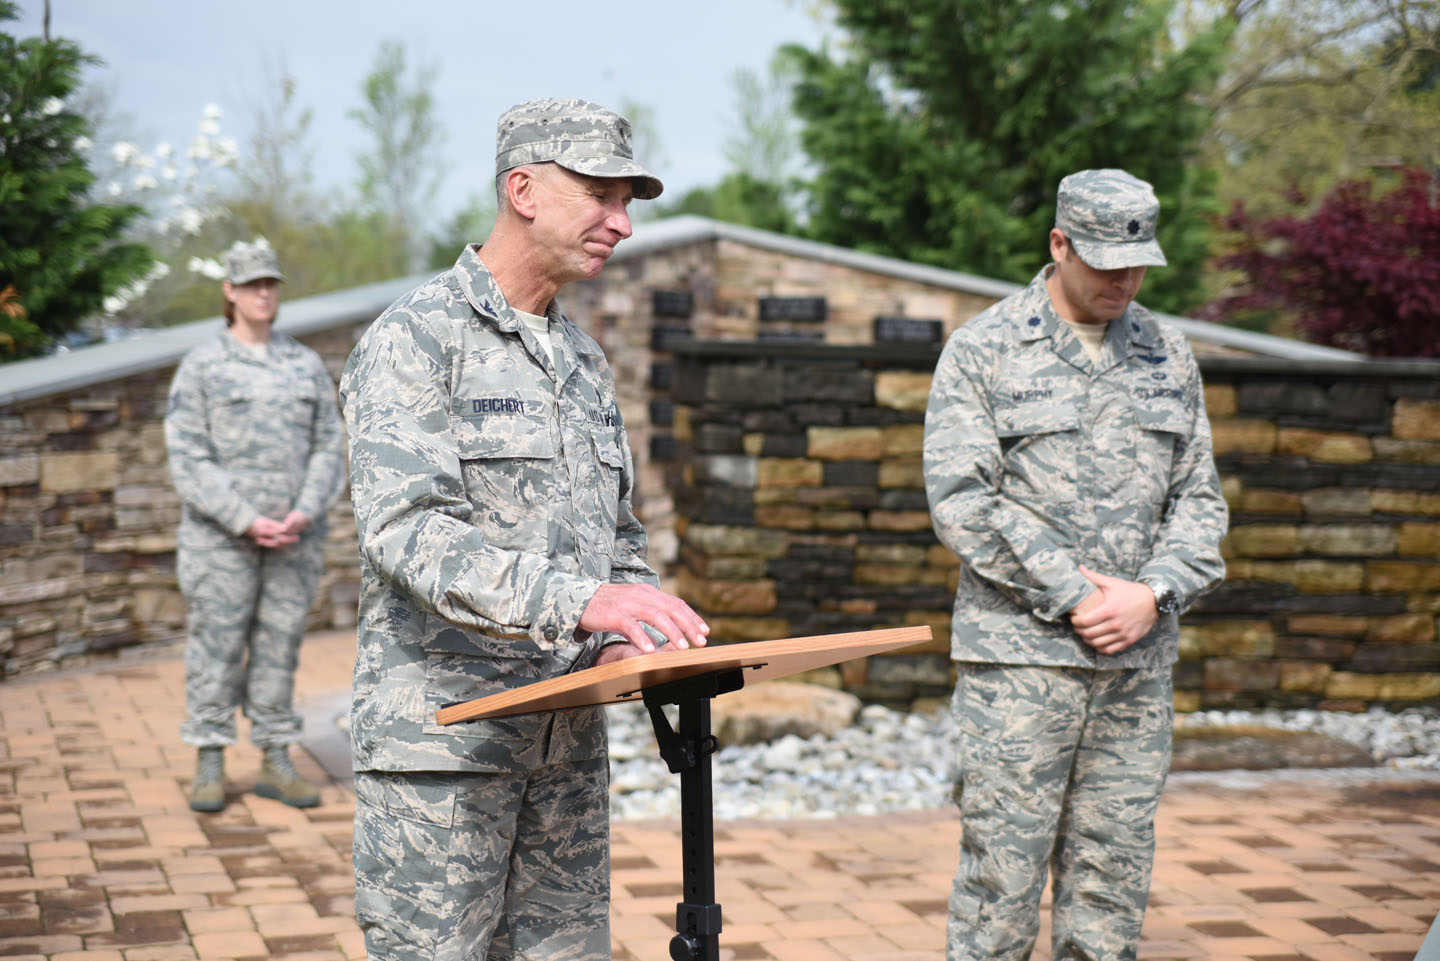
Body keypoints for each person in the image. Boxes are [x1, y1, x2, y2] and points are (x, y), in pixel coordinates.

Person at [339, 98, 710, 961]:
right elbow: (407, 531)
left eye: (631, 202)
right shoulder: (416, 340)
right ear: (525, 189)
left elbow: (620, 536)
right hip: (445, 751)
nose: (623, 222)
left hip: (565, 747)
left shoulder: (582, 361)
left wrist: (635, 627)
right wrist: (585, 602)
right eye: (603, 195)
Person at [922, 169, 1229, 961]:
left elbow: (1200, 504)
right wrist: (1075, 593)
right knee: (1002, 886)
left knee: (1111, 884)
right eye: (1103, 262)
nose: (1124, 280)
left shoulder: (1168, 353)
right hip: (1020, 665)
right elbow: (963, 500)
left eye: (1137, 264)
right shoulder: (985, 349)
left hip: (1135, 666)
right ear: (1059, 244)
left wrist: (1153, 595)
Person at [164, 240, 346, 813]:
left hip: (293, 538)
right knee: (216, 647)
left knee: (279, 647)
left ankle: (274, 758)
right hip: (222, 542)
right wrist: (245, 520)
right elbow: (188, 456)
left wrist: (305, 509)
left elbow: (328, 445)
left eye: (270, 284)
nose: (263, 294)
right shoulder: (203, 366)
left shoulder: (303, 363)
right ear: (230, 292)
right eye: (250, 285)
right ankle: (211, 759)